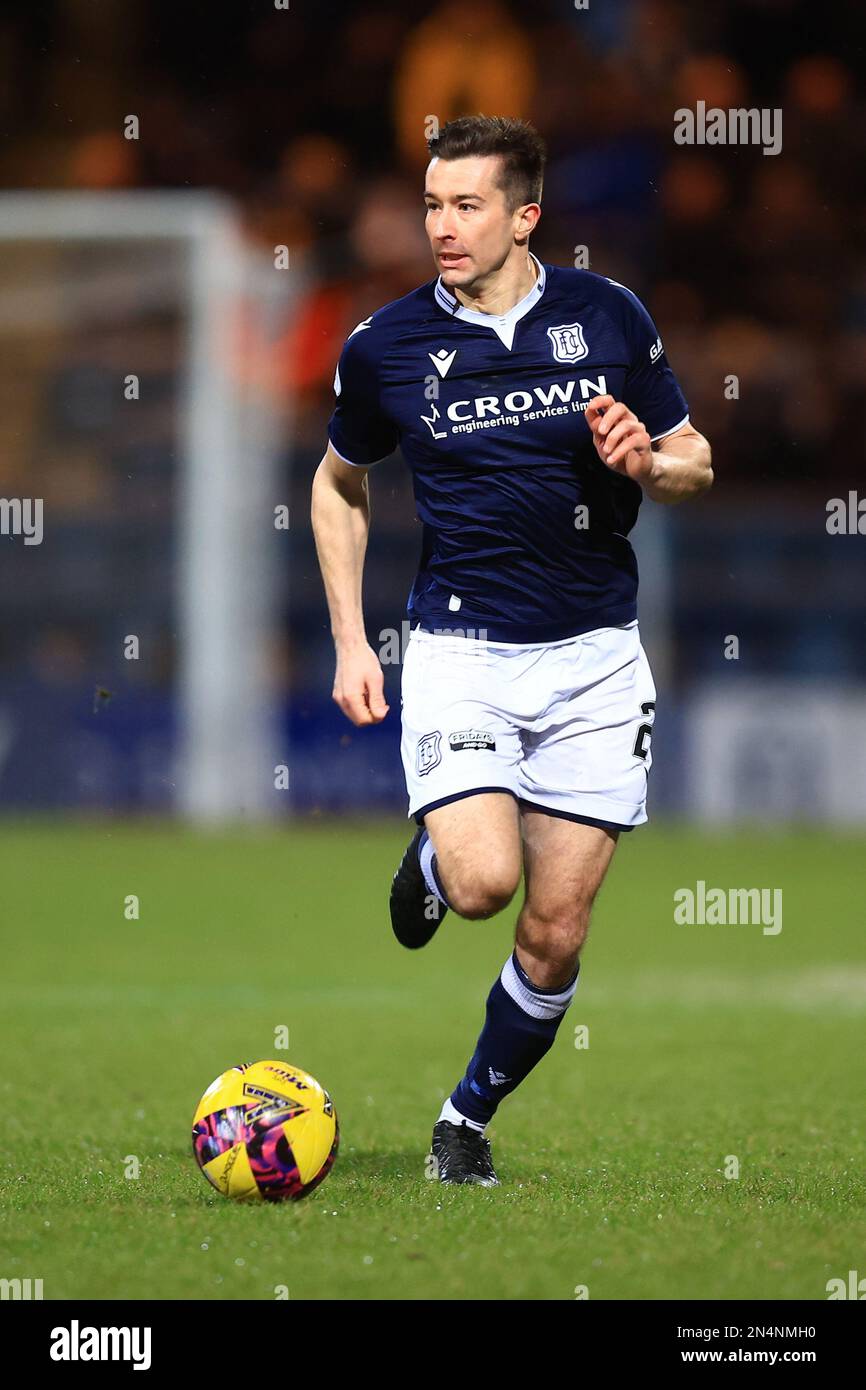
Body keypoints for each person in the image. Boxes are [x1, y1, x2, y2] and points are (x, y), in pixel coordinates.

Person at [311, 115, 712, 1185]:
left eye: (467, 205)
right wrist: (353, 638)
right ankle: (443, 854)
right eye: (432, 204)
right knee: (487, 884)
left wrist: (648, 463)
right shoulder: (384, 345)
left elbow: (691, 459)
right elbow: (337, 482)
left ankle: (463, 1120)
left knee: (556, 931)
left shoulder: (607, 315)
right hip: (462, 649)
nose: (441, 226)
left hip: (593, 658)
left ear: (524, 214)